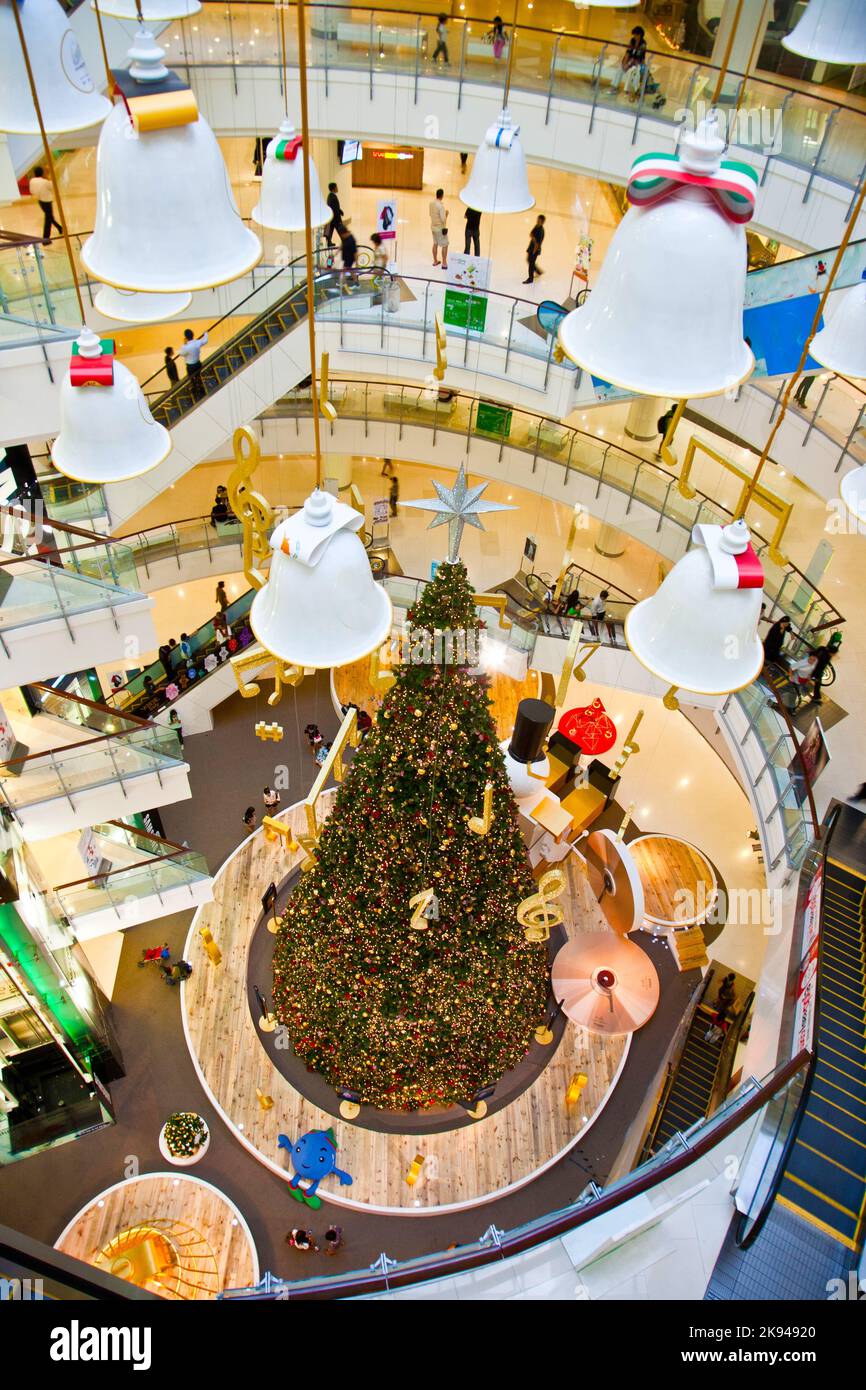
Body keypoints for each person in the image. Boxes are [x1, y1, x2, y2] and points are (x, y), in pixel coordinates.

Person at [29, 166, 62, 245]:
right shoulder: (45, 182)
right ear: (42, 173)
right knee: (48, 219)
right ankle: (45, 240)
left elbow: (31, 190)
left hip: (40, 201)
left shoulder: (32, 180)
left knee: (49, 217)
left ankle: (60, 228)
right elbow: (53, 187)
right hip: (47, 201)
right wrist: (47, 177)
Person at [611, 26, 646, 97]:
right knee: (620, 68)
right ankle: (614, 87)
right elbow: (628, 52)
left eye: (636, 35)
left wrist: (628, 64)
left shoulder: (643, 44)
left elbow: (637, 57)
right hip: (630, 61)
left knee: (631, 72)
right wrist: (624, 63)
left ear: (640, 35)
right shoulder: (632, 40)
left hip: (637, 63)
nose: (635, 36)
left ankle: (627, 91)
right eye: (634, 35)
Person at [177, 327, 209, 399]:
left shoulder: (185, 347)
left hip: (190, 366)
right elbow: (205, 340)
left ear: (186, 337)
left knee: (192, 379)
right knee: (198, 376)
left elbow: (181, 354)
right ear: (193, 335)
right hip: (197, 364)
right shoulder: (197, 342)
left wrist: (184, 344)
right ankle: (201, 389)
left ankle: (195, 392)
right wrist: (205, 333)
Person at [429, 188, 449, 268]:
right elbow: (443, 219)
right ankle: (444, 263)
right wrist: (446, 213)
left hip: (433, 227)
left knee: (435, 243)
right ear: (442, 196)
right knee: (445, 244)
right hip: (440, 229)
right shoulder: (440, 206)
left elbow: (430, 214)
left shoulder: (431, 203)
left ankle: (435, 261)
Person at [524, 214, 545, 284]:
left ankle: (530, 279)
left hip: (534, 249)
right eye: (537, 219)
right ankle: (538, 271)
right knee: (529, 261)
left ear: (542, 222)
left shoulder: (541, 231)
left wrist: (533, 252)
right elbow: (531, 234)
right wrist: (533, 238)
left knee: (531, 264)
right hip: (531, 247)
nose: (537, 221)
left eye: (539, 220)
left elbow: (537, 244)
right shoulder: (537, 226)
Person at [339, 223, 358, 291]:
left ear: (345, 233)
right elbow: (342, 244)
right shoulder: (345, 237)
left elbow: (355, 252)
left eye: (342, 234)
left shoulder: (351, 240)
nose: (341, 236)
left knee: (347, 270)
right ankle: (343, 282)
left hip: (350, 258)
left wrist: (357, 263)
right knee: (348, 270)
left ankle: (344, 283)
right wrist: (337, 251)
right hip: (346, 257)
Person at [325, 182, 344, 247]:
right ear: (334, 188)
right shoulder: (333, 197)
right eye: (336, 187)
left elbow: (335, 207)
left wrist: (340, 211)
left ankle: (329, 242)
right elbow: (335, 209)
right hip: (335, 218)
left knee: (330, 231)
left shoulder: (330, 196)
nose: (337, 188)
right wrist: (339, 219)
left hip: (332, 217)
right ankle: (344, 242)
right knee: (341, 230)